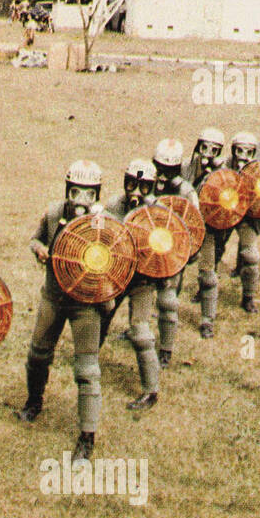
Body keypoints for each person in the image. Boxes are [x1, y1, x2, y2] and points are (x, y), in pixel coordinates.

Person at [18, 160, 110, 464]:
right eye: (74, 192)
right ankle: (34, 401)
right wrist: (39, 249)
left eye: (87, 194)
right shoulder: (55, 213)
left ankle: (87, 435)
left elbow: (119, 261)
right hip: (54, 296)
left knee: (87, 369)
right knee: (38, 353)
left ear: (96, 196)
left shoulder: (104, 224)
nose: (80, 201)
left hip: (86, 303)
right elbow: (35, 238)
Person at [101, 160, 162, 410]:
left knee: (140, 331)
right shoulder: (114, 205)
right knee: (100, 315)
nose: (136, 192)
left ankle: (151, 389)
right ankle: (89, 358)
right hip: (116, 274)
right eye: (131, 184)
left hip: (142, 279)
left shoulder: (158, 212)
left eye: (143, 187)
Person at [152, 138, 199, 368]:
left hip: (173, 251)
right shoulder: (147, 183)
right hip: (147, 246)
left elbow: (195, 225)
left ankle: (166, 349)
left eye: (168, 171)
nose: (162, 175)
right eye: (160, 169)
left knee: (168, 300)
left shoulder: (186, 192)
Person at [182, 127, 228, 339]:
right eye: (204, 147)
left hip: (207, 228)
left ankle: (207, 320)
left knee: (207, 273)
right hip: (183, 226)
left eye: (214, 150)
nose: (208, 153)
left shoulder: (221, 175)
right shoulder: (185, 168)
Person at [222, 131, 260, 313]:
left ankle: (248, 297)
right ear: (233, 151)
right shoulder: (223, 165)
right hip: (224, 214)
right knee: (213, 251)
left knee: (251, 255)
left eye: (248, 152)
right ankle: (204, 288)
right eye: (240, 151)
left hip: (246, 217)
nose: (243, 157)